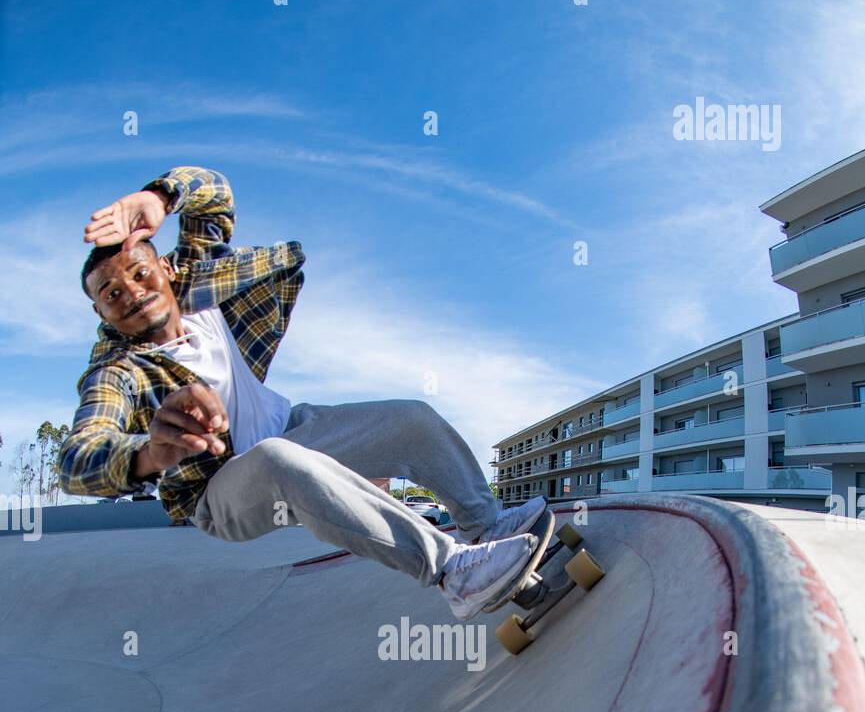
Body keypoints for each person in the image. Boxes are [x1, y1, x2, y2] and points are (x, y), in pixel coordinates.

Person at [59, 166, 546, 619]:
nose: (131, 293)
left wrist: (160, 195)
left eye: (139, 274)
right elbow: (78, 459)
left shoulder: (202, 285)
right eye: (111, 295)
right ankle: (455, 573)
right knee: (275, 458)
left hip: (295, 429)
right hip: (221, 491)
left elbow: (216, 198)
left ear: (164, 269)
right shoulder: (117, 370)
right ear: (102, 315)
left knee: (413, 419)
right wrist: (148, 453)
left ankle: (487, 527)